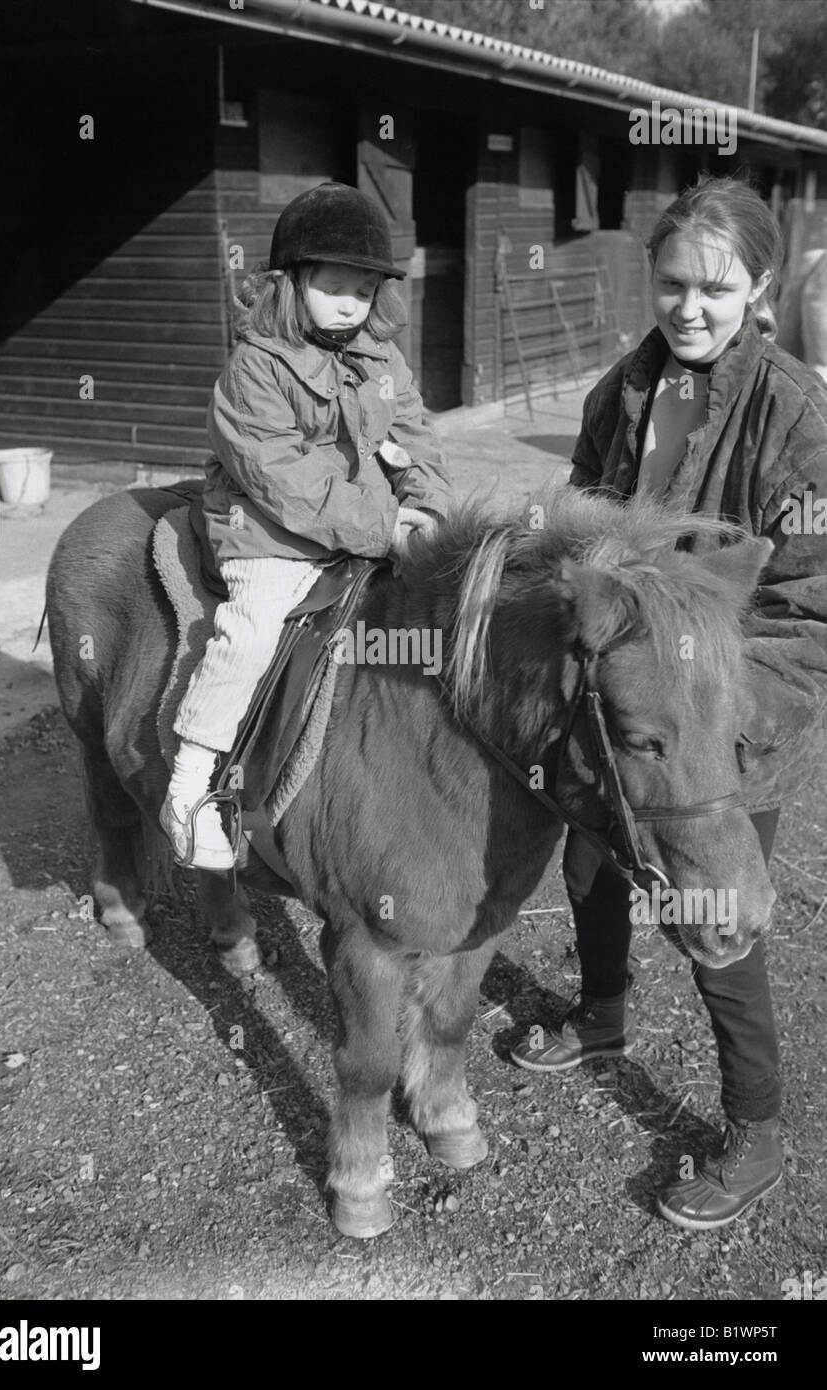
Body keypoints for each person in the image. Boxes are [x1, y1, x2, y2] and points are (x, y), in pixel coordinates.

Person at [512, 174, 827, 1230]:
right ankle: (600, 1010)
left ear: (760, 287)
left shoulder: (793, 414)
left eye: (714, 287)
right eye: (669, 284)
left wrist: (719, 732)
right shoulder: (617, 396)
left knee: (712, 913)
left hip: (729, 725)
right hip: (619, 709)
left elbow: (806, 613)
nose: (688, 307)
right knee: (590, 861)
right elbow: (581, 543)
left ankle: (756, 1131)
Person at [160, 182, 451, 871]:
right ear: (290, 284)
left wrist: (429, 509)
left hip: (369, 520)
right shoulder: (253, 370)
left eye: (364, 287)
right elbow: (283, 481)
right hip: (269, 532)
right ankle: (190, 784)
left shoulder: (383, 358)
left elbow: (418, 436)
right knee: (254, 627)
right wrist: (387, 522)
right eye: (333, 285)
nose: (352, 301)